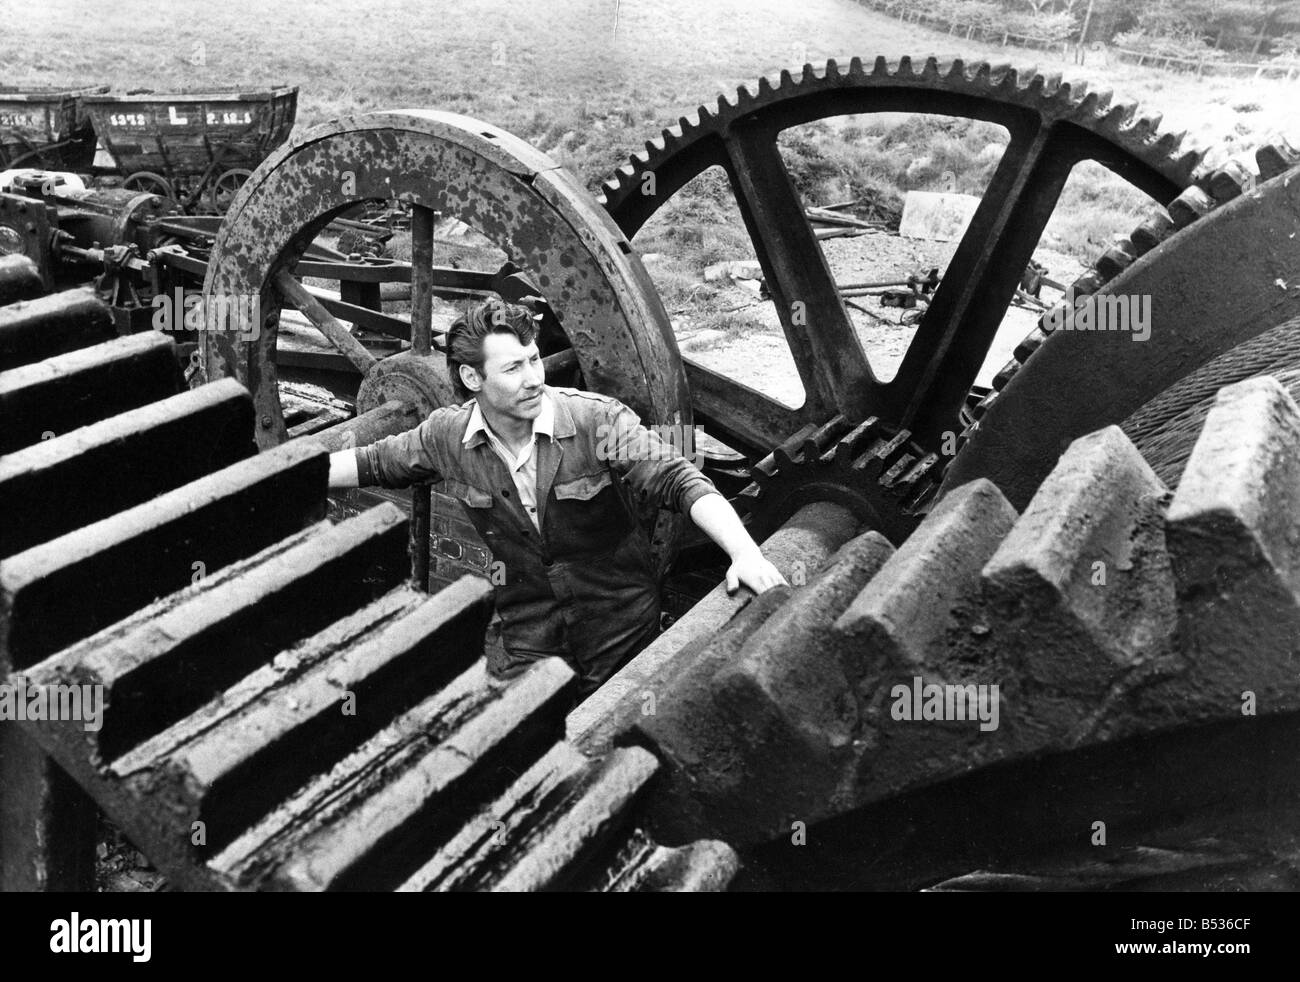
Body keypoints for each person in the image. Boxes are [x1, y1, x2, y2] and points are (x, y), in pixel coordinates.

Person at [328, 297, 786, 695]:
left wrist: (744, 553)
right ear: (471, 376)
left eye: (534, 359)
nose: (533, 379)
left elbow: (680, 480)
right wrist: (280, 479)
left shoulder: (596, 422)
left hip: (621, 632)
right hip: (529, 637)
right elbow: (369, 462)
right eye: (513, 367)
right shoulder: (446, 436)